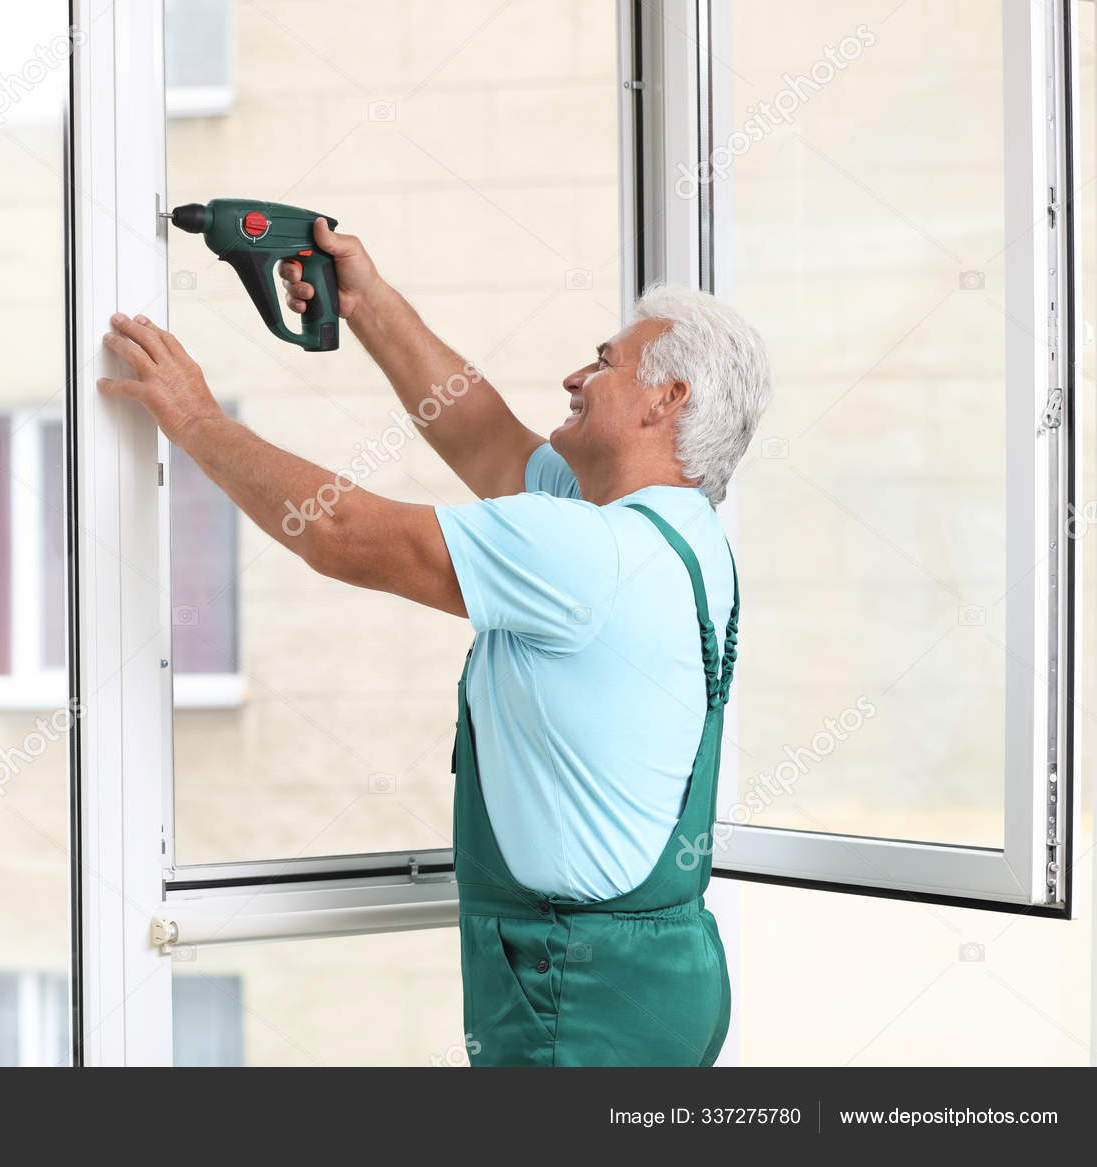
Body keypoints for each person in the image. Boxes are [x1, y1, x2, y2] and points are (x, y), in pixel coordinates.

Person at [97, 218, 773, 1066]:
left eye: (604, 361)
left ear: (666, 399)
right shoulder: (672, 532)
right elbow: (483, 434)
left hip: (580, 999)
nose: (575, 375)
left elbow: (341, 530)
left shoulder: (587, 552)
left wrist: (196, 418)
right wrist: (366, 301)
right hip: (666, 979)